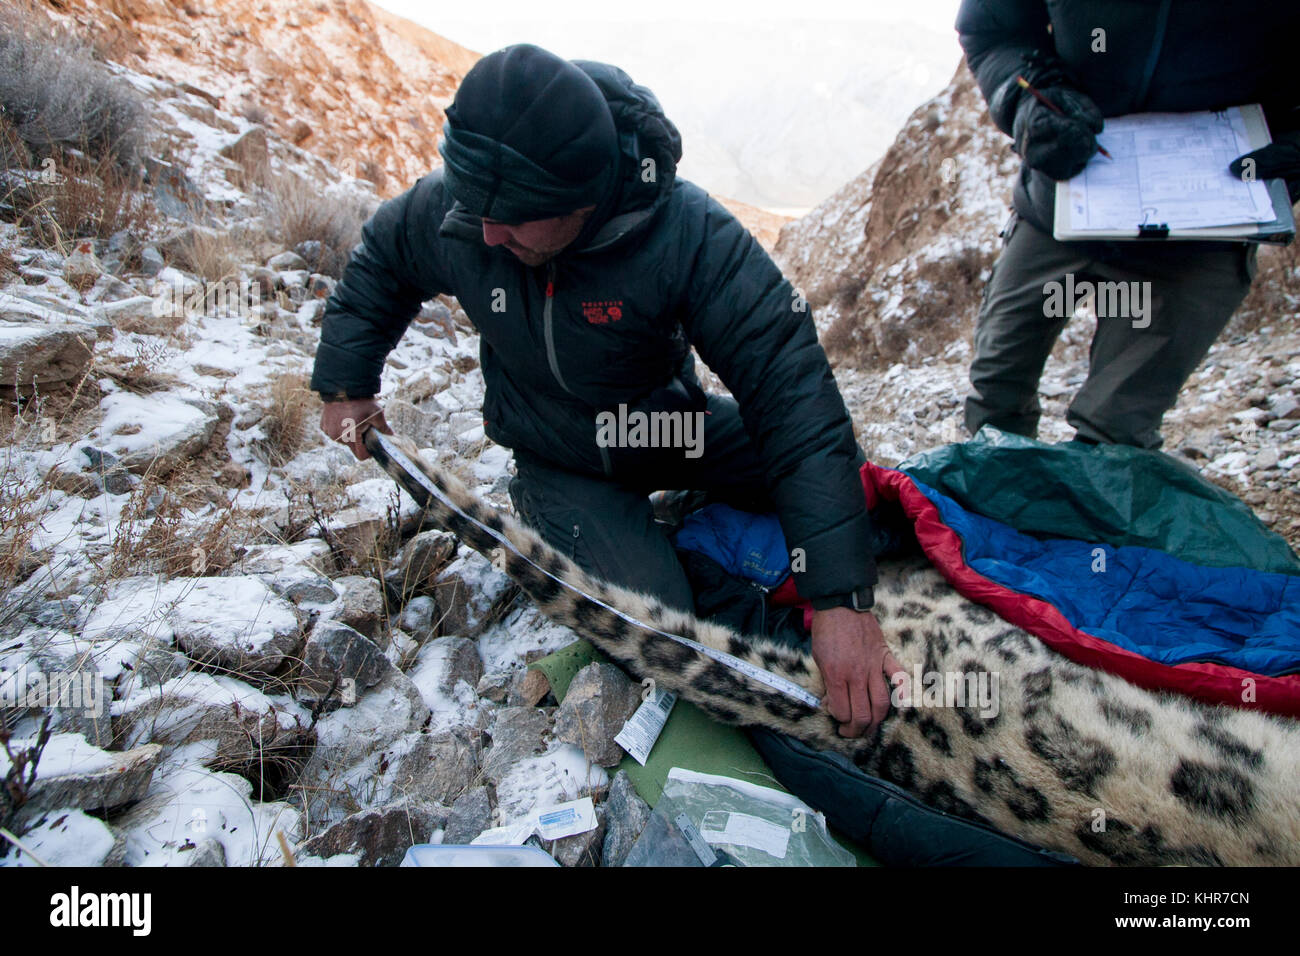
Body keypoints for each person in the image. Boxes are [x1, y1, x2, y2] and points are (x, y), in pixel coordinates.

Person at [310, 44, 903, 738]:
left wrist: (840, 600)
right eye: (479, 208)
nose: (487, 231)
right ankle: (588, 519)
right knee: (664, 627)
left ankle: (706, 519)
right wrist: (346, 384)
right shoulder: (469, 213)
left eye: (514, 215)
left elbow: (791, 390)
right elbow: (384, 254)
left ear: (580, 197)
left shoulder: (686, 232)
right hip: (558, 456)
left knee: (855, 488)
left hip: (664, 432)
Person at [957, 0, 1300, 449]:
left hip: (1204, 228)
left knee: (1115, 429)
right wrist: (1029, 96)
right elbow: (995, 30)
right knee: (996, 397)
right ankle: (986, 509)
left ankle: (1086, 512)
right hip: (1064, 198)